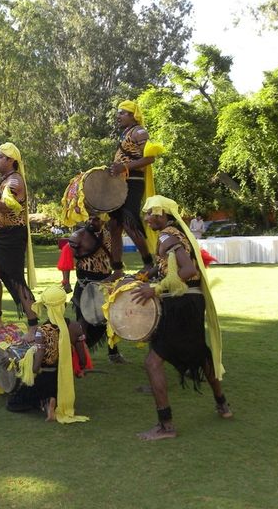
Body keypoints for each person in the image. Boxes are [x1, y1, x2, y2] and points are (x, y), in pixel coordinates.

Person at [131, 195, 232, 441]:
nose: (146, 218)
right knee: (200, 353)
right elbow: (167, 265)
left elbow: (188, 270)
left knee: (153, 362)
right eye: (145, 213)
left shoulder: (167, 236)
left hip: (181, 303)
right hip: (190, 302)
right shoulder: (174, 234)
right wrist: (145, 276)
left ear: (163, 214)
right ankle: (222, 405)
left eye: (150, 213)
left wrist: (155, 289)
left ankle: (166, 426)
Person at [5, 287, 89, 424]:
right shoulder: (75, 327)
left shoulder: (41, 331)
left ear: (45, 307)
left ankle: (45, 403)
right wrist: (80, 369)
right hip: (64, 380)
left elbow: (36, 366)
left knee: (13, 403)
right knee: (52, 389)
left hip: (46, 375)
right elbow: (83, 359)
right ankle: (51, 401)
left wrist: (26, 368)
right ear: (64, 305)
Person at [0, 142, 39, 335]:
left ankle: (33, 324)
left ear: (11, 160)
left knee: (16, 280)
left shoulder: (15, 181)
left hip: (13, 235)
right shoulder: (4, 181)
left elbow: (6, 207)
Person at [107, 100, 163, 280]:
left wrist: (123, 167)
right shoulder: (125, 133)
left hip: (133, 181)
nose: (118, 116)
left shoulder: (139, 132)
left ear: (132, 115)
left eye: (122, 113)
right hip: (120, 183)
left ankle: (148, 263)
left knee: (129, 222)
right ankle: (117, 269)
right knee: (114, 226)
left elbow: (150, 158)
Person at [58, 216, 125, 364]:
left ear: (103, 220)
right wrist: (66, 281)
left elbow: (115, 255)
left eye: (95, 220)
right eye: (89, 219)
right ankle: (78, 357)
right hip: (86, 283)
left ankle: (113, 353)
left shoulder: (109, 235)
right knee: (83, 321)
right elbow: (66, 257)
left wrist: (117, 271)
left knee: (110, 318)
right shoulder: (78, 236)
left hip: (107, 281)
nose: (91, 222)